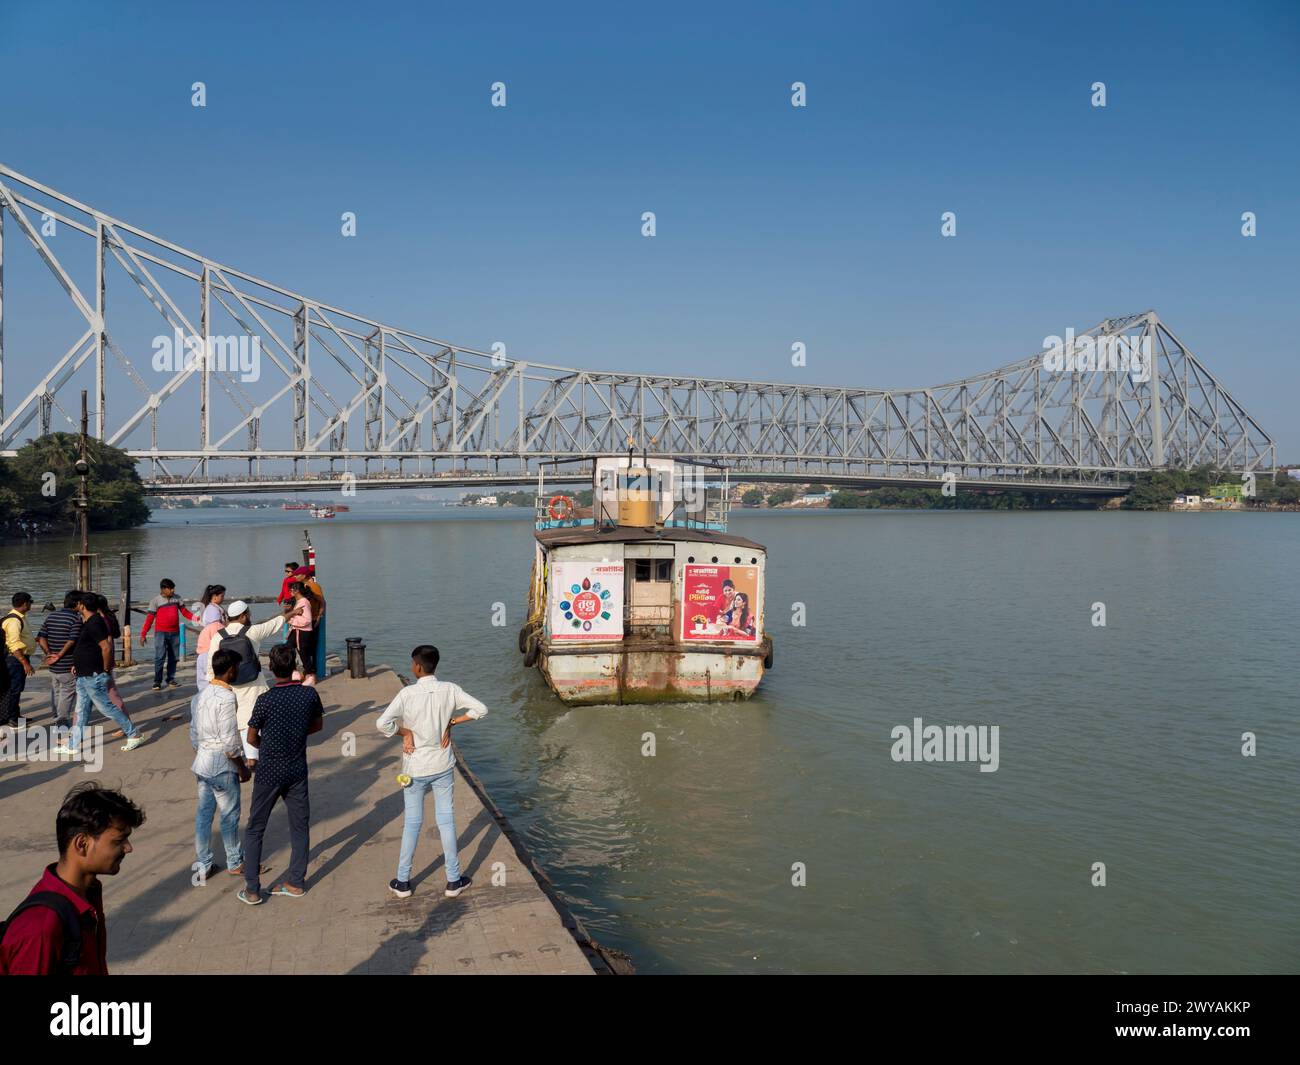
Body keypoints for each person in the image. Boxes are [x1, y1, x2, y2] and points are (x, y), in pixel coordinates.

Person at [377, 645, 487, 899]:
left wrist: (405, 732)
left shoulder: (407, 694)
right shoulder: (450, 689)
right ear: (434, 665)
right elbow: (481, 709)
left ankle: (403, 881)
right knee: (446, 821)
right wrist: (453, 722)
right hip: (442, 765)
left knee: (412, 824)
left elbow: (382, 723)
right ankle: (453, 880)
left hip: (414, 767)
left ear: (417, 667)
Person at [0, 783, 145, 975]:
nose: (128, 848)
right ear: (82, 844)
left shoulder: (90, 891)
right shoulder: (41, 928)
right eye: (119, 841)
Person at [237, 643, 324, 905]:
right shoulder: (309, 695)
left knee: (255, 828)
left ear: (272, 668)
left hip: (269, 770)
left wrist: (270, 744)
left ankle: (252, 889)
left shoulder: (265, 700)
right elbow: (318, 725)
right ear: (295, 667)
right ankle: (296, 882)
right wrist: (294, 738)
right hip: (297, 768)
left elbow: (252, 737)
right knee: (299, 826)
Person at [52, 594, 144, 757]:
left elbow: (106, 648)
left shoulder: (95, 622)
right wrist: (77, 664)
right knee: (81, 711)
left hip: (93, 674)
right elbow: (87, 647)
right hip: (83, 674)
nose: (77, 605)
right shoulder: (87, 622)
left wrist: (105, 670)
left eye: (79, 603)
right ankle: (73, 744)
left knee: (106, 708)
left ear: (82, 605)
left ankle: (134, 734)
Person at [206, 601, 290, 769]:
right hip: (254, 684)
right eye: (249, 614)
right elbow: (273, 625)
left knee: (235, 719)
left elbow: (210, 666)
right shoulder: (252, 632)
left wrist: (214, 686)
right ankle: (253, 757)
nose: (250, 617)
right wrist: (291, 613)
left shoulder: (218, 636)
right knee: (253, 718)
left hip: (230, 685)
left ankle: (240, 753)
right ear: (243, 616)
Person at [190, 649, 251, 879]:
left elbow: (194, 734)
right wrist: (241, 766)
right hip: (222, 764)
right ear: (230, 669)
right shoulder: (226, 697)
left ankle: (203, 863)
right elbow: (229, 741)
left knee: (204, 814)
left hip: (202, 761)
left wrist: (203, 750)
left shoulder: (199, 696)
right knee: (229, 814)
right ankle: (234, 861)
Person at [36, 591, 83, 729]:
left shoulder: (51, 616)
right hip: (67, 664)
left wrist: (49, 653)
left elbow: (41, 637)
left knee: (57, 691)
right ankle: (62, 721)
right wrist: (60, 655)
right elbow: (72, 640)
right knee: (67, 693)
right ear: (78, 604)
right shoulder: (75, 619)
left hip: (53, 666)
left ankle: (56, 717)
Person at [139, 579, 194, 690]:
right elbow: (149, 619)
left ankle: (170, 679)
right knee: (160, 657)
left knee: (174, 658)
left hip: (175, 633)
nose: (173, 590)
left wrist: (195, 618)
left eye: (173, 588)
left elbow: (185, 612)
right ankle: (157, 681)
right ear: (163, 589)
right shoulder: (155, 601)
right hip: (161, 633)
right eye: (170, 588)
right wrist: (143, 634)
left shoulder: (177, 598)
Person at [1, 592, 37, 727]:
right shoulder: (14, 621)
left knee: (17, 687)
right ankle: (12, 718)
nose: (30, 605)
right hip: (15, 659)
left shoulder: (20, 618)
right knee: (14, 688)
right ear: (24, 604)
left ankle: (16, 715)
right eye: (30, 602)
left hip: (17, 659)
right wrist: (25, 663)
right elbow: (14, 644)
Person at [92, 594, 128, 718]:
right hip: (107, 657)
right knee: (109, 691)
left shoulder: (99, 619)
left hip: (101, 659)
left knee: (109, 692)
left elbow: (106, 644)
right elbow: (116, 635)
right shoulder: (109, 616)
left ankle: (125, 723)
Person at [285, 581, 322, 686]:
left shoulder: (304, 602)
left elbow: (307, 620)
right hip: (296, 631)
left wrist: (291, 620)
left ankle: (310, 676)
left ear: (297, 591)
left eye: (291, 589)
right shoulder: (299, 601)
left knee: (304, 654)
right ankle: (294, 672)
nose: (290, 591)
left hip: (302, 632)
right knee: (288, 649)